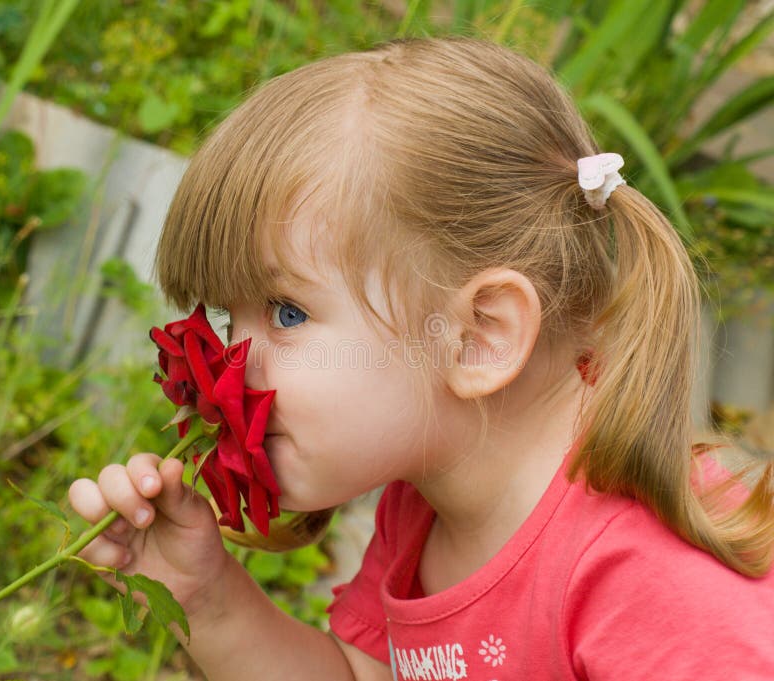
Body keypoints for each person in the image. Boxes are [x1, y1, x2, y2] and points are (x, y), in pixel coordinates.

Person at [67, 36, 774, 680]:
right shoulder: (427, 504)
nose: (232, 365)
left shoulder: (653, 577)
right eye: (228, 317)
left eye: (287, 312)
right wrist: (207, 598)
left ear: (479, 337)